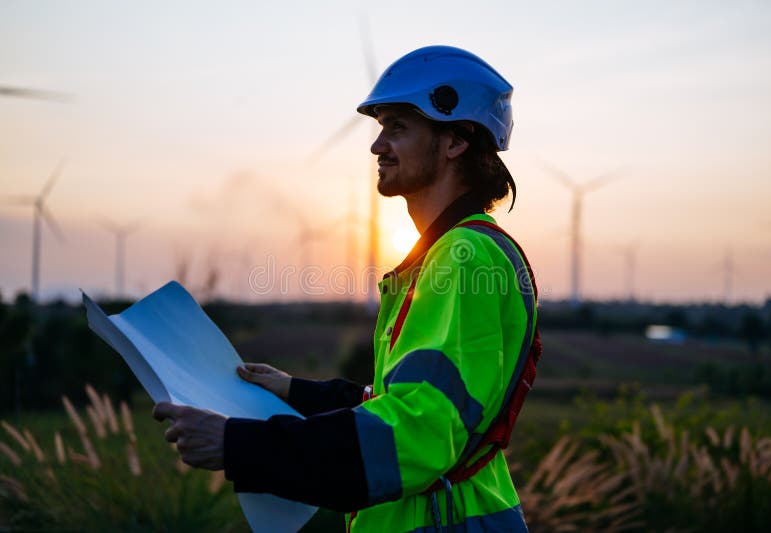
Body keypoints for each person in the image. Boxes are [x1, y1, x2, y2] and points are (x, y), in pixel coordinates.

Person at [153, 45, 540, 532]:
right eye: (381, 129)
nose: (378, 147)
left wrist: (238, 445)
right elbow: (401, 400)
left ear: (456, 141)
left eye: (398, 128)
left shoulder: (463, 256)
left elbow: (418, 432)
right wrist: (297, 392)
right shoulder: (444, 255)